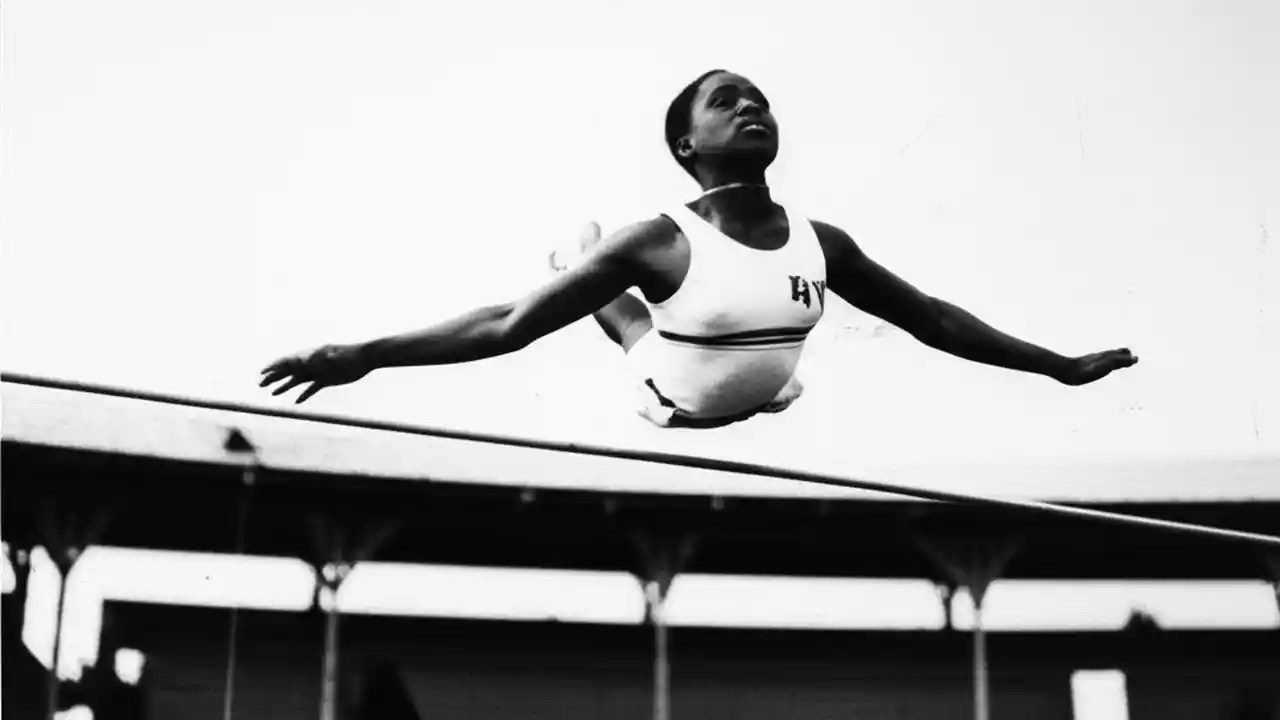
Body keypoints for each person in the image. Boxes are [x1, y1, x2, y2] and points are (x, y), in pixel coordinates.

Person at [260, 69, 1138, 428]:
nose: (751, 108)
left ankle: (586, 268)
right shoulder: (662, 238)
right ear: (687, 145)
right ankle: (584, 266)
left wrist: (1058, 366)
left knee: (779, 374)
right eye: (726, 103)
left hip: (770, 378)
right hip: (675, 392)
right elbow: (505, 327)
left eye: (760, 99)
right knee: (625, 317)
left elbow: (934, 319)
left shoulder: (823, 242)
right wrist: (362, 355)